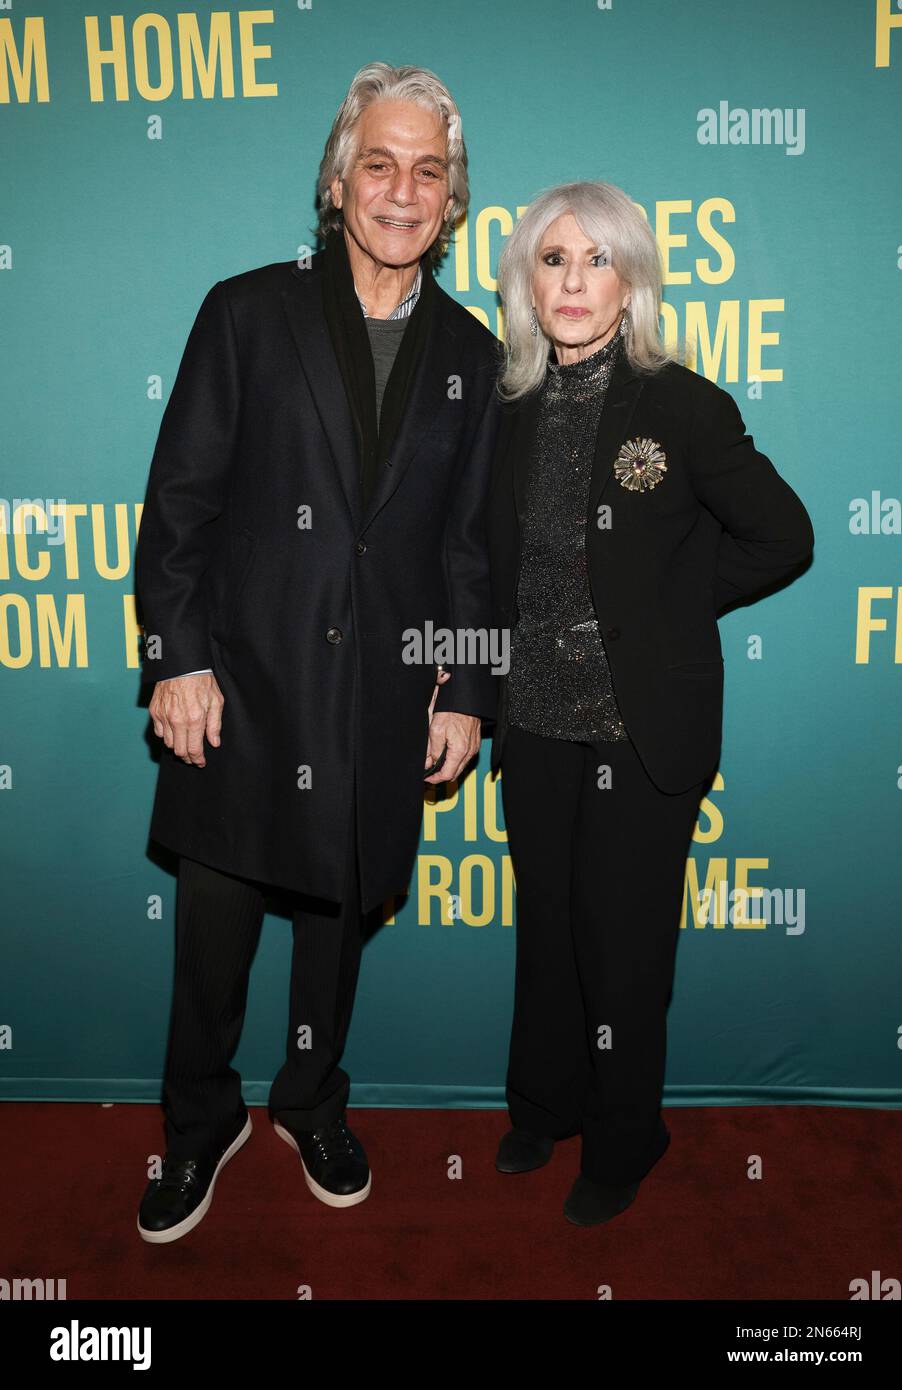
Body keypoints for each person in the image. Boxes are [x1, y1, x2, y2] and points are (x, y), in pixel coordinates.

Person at [133, 63, 500, 1243]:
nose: (403, 189)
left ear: (452, 200)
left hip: (382, 699)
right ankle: (199, 1123)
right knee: (215, 930)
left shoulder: (474, 352)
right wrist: (175, 657)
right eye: (379, 164)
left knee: (338, 925)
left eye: (427, 170)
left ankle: (307, 1099)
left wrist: (469, 686)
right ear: (337, 183)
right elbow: (178, 500)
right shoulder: (247, 309)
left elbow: (469, 544)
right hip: (241, 686)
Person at [486, 181, 814, 1227]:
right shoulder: (507, 409)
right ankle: (545, 1102)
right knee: (546, 929)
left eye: (596, 260)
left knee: (622, 948)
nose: (574, 281)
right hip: (532, 718)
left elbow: (784, 537)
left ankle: (626, 1136)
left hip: (639, 732)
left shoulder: (681, 402)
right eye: (553, 260)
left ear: (630, 282)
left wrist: (665, 603)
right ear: (528, 284)